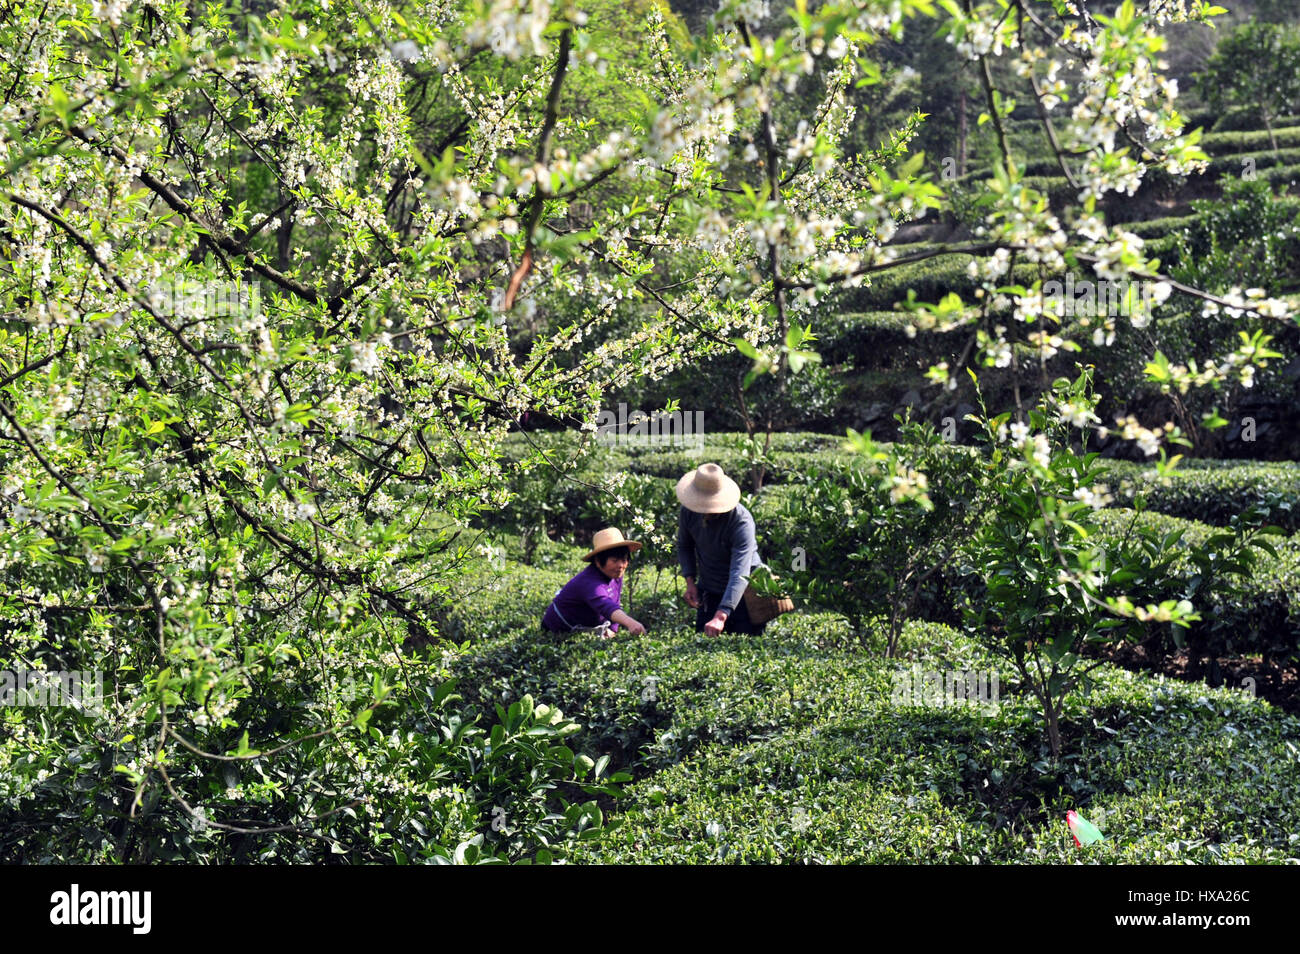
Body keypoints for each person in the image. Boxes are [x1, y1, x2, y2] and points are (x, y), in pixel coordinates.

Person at [675, 462, 766, 637]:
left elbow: (740, 574)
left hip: (744, 595)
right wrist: (690, 582)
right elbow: (684, 545)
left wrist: (722, 614)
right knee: (702, 643)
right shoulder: (688, 511)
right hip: (709, 588)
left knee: (744, 648)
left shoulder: (741, 522)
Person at [541, 527, 647, 637]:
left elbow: (615, 602)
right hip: (557, 631)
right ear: (598, 561)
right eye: (614, 561)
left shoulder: (615, 574)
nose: (621, 566)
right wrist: (630, 623)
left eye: (624, 560)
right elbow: (605, 605)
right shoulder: (589, 582)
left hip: (586, 628)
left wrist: (613, 630)